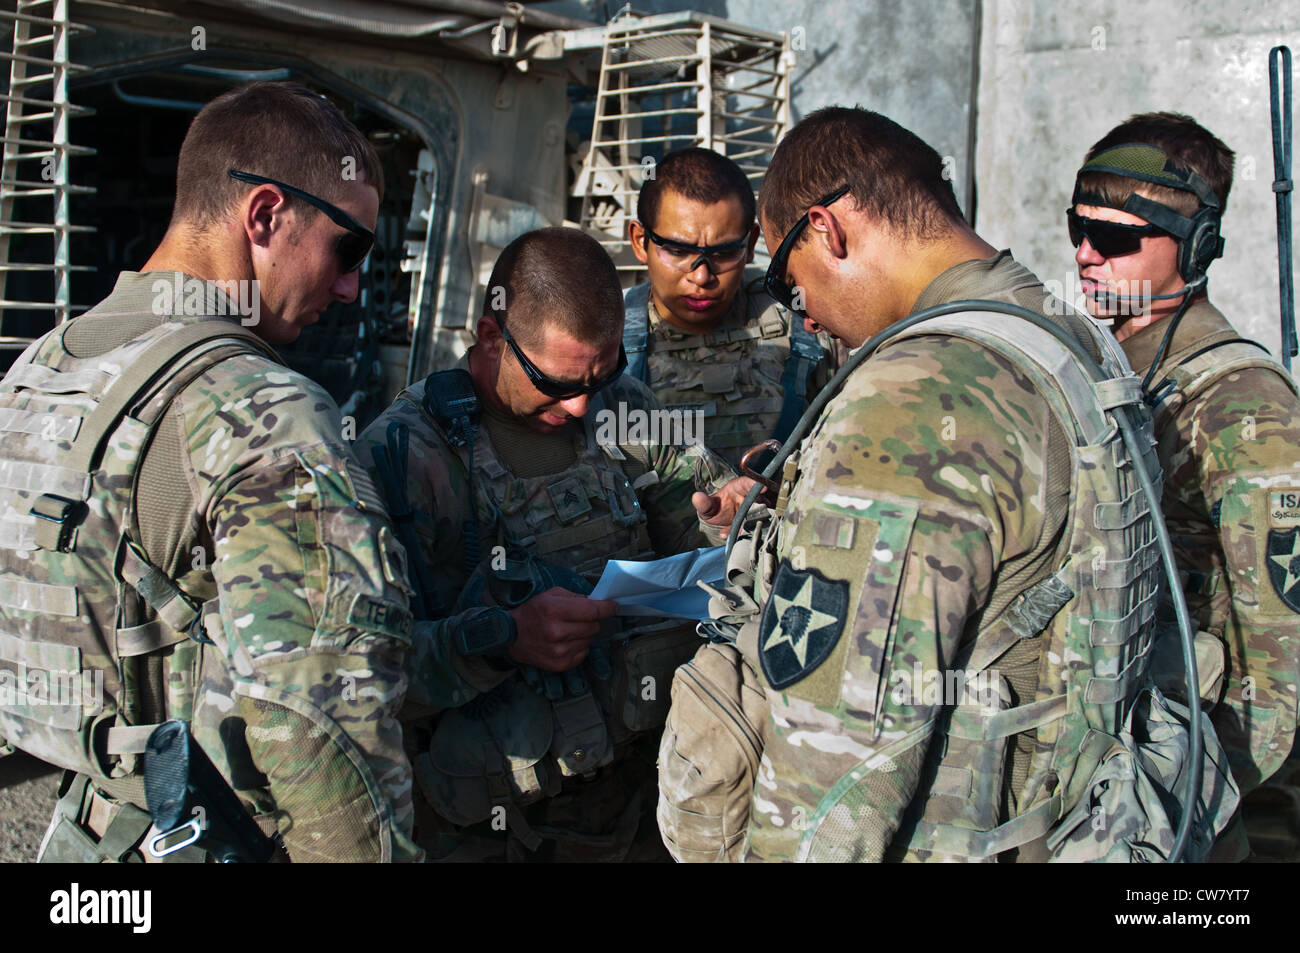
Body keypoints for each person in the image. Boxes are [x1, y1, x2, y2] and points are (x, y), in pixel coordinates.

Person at [686, 105, 1234, 863]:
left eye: (786, 279)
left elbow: (832, 789)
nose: (801, 313)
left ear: (828, 230)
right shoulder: (1068, 334)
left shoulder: (910, 396)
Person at [0, 81, 422, 862]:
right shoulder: (266, 409)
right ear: (264, 215)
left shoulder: (40, 368)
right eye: (348, 248)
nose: (350, 285)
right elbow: (321, 725)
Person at [358, 226, 753, 861]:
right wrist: (502, 638)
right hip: (499, 829)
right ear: (493, 337)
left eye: (603, 375)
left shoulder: (620, 406)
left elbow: (703, 526)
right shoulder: (401, 458)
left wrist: (728, 517)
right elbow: (358, 672)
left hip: (649, 797)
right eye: (559, 383)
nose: (580, 408)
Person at [1071, 112, 1300, 859]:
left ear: (1196, 245)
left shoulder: (1243, 402)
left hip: (1218, 795)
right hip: (1141, 759)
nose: (1085, 254)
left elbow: (1282, 662)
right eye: (1078, 227)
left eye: (1114, 239)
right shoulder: (1122, 371)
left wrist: (1202, 810)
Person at [624, 148, 832, 467]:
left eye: (723, 253)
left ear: (750, 246)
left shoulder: (805, 322)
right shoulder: (606, 338)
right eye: (678, 251)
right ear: (641, 242)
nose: (702, 276)